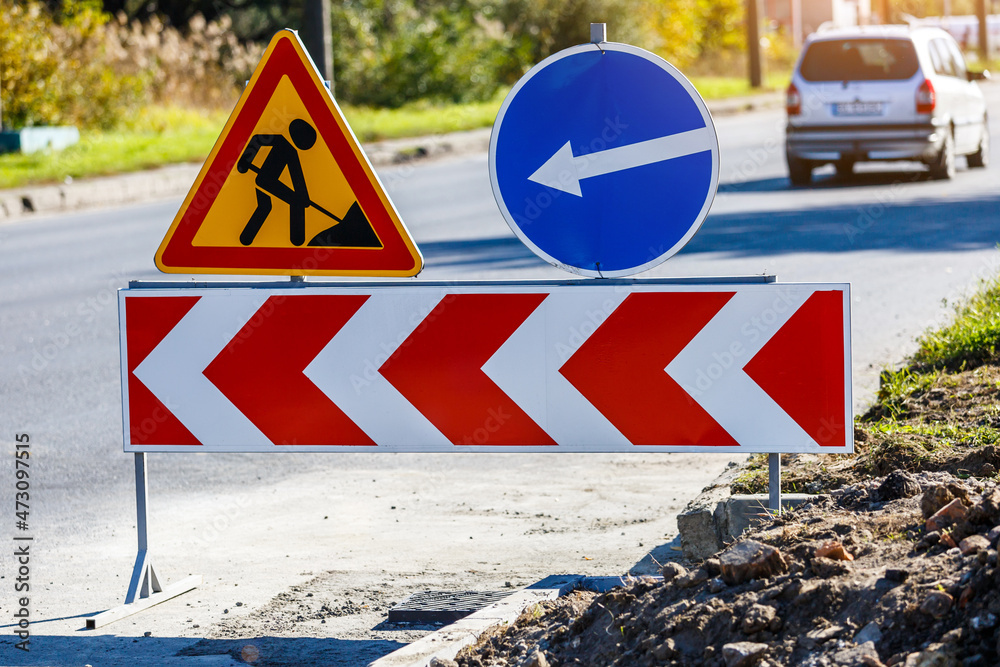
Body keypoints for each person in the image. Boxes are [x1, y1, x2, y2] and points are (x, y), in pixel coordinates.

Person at [236, 118, 317, 246]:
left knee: (265, 207)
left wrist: (305, 197)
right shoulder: (281, 141)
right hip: (266, 181)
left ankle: (245, 239)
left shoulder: (292, 151)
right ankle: (297, 240)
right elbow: (256, 139)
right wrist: (244, 162)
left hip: (266, 181)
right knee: (295, 202)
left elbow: (297, 179)